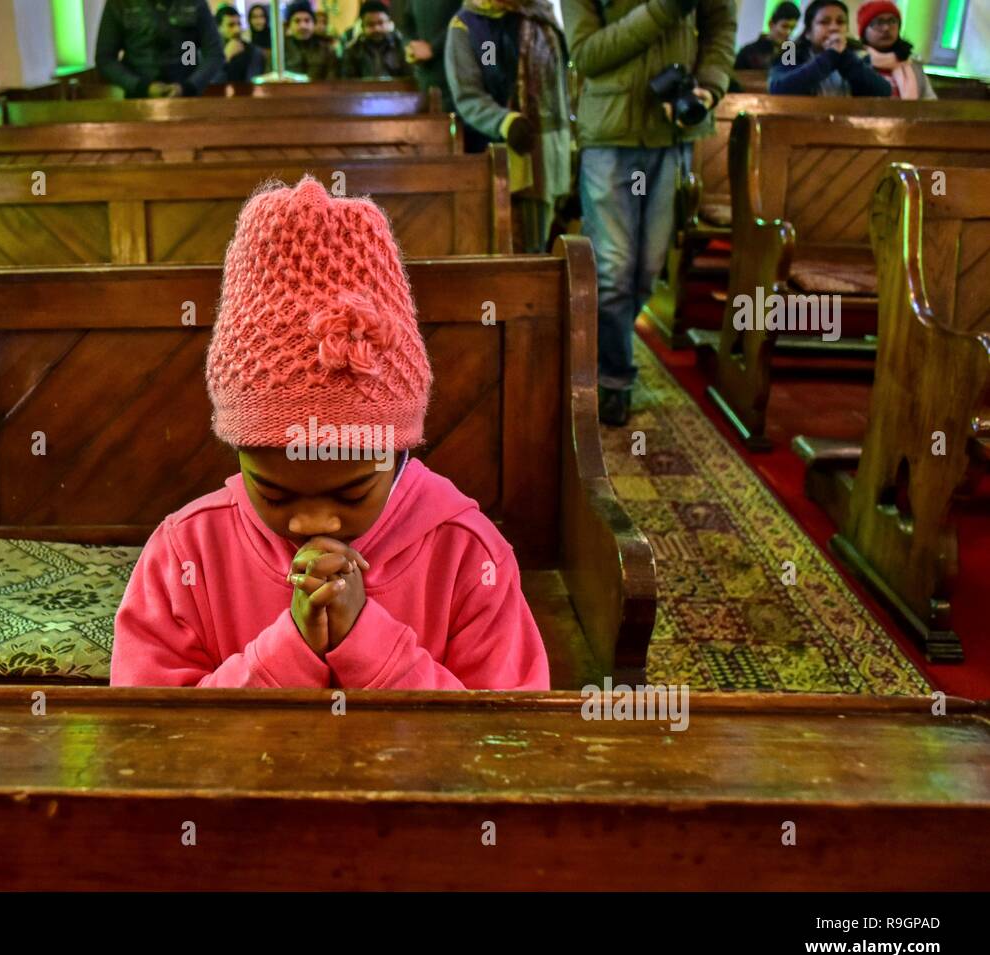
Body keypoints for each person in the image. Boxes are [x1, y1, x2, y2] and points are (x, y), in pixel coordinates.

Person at [111, 176, 550, 690]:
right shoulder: (187, 556)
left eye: (352, 490)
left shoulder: (466, 554)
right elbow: (149, 736)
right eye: (273, 491)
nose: (312, 521)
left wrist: (368, 641)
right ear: (237, 455)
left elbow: (507, 738)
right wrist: (287, 651)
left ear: (398, 454)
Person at [562, 0, 736, 426]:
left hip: (673, 131)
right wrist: (665, 9)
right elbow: (588, 55)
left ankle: (596, 351)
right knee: (614, 269)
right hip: (610, 133)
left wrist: (709, 88)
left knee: (648, 270)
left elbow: (720, 29)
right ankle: (612, 378)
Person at [445, 0, 572, 255]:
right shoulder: (468, 24)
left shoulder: (541, 15)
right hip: (507, 156)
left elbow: (561, 84)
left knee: (545, 249)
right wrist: (504, 121)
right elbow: (468, 96)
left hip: (550, 152)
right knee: (517, 251)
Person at [94, 0, 225, 98]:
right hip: (138, 100)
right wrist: (142, 87)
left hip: (186, 96)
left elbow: (215, 54)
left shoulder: (195, 2)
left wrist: (188, 86)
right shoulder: (120, 3)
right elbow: (105, 58)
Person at [768, 0, 891, 97]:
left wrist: (844, 57)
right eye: (824, 22)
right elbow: (779, 88)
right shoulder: (790, 51)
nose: (834, 28)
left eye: (840, 22)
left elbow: (883, 91)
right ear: (808, 32)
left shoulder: (858, 54)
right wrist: (830, 56)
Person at [858, 1, 937, 101]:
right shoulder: (854, 62)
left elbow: (930, 103)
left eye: (892, 21)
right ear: (864, 31)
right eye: (879, 22)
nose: (886, 28)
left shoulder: (911, 64)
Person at [401, 0, 461, 112]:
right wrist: (410, 45)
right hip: (424, 75)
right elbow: (407, 24)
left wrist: (433, 48)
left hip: (455, 71)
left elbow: (465, 18)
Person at [342, 0, 410, 78]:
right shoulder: (353, 50)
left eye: (381, 23)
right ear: (362, 26)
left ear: (389, 23)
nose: (377, 29)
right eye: (370, 24)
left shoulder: (402, 46)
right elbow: (348, 83)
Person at [734, 2, 799, 71]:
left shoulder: (792, 53)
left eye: (792, 28)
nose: (788, 32)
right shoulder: (748, 53)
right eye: (785, 26)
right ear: (771, 24)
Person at [284, 1, 341, 79]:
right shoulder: (280, 51)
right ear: (289, 25)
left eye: (307, 20)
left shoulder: (326, 49)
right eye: (297, 21)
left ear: (313, 23)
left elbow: (332, 81)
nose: (303, 26)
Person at [216, 4, 267, 82]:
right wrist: (225, 58)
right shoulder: (209, 53)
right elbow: (211, 85)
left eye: (239, 24)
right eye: (231, 25)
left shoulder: (254, 52)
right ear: (219, 28)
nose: (237, 30)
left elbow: (253, 84)